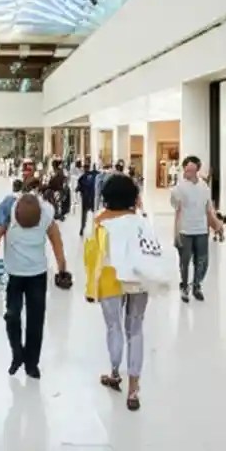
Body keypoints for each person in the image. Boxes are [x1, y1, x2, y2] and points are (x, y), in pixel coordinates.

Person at [0, 191, 67, 379]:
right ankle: (17, 354)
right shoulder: (7, 209)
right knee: (12, 316)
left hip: (37, 274)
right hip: (14, 273)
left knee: (35, 321)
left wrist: (62, 265)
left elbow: (56, 238)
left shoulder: (46, 211)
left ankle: (32, 363)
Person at [84, 173, 148, 411]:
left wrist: (91, 288)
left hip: (111, 279)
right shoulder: (141, 219)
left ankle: (114, 372)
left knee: (114, 327)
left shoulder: (100, 221)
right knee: (136, 329)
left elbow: (91, 256)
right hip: (139, 277)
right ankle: (134, 389)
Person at [169, 156, 224, 303]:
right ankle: (184, 286)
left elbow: (209, 210)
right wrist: (176, 234)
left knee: (202, 261)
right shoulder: (178, 189)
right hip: (185, 230)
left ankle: (197, 285)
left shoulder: (204, 187)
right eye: (186, 170)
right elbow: (177, 211)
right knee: (184, 261)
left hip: (201, 229)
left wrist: (217, 226)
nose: (188, 173)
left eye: (192, 170)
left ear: (197, 170)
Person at [77, 162, 99, 237]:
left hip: (86, 198)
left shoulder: (82, 177)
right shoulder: (96, 175)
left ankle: (82, 228)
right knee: (94, 214)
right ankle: (84, 228)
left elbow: (78, 188)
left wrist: (79, 190)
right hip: (92, 198)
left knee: (85, 215)